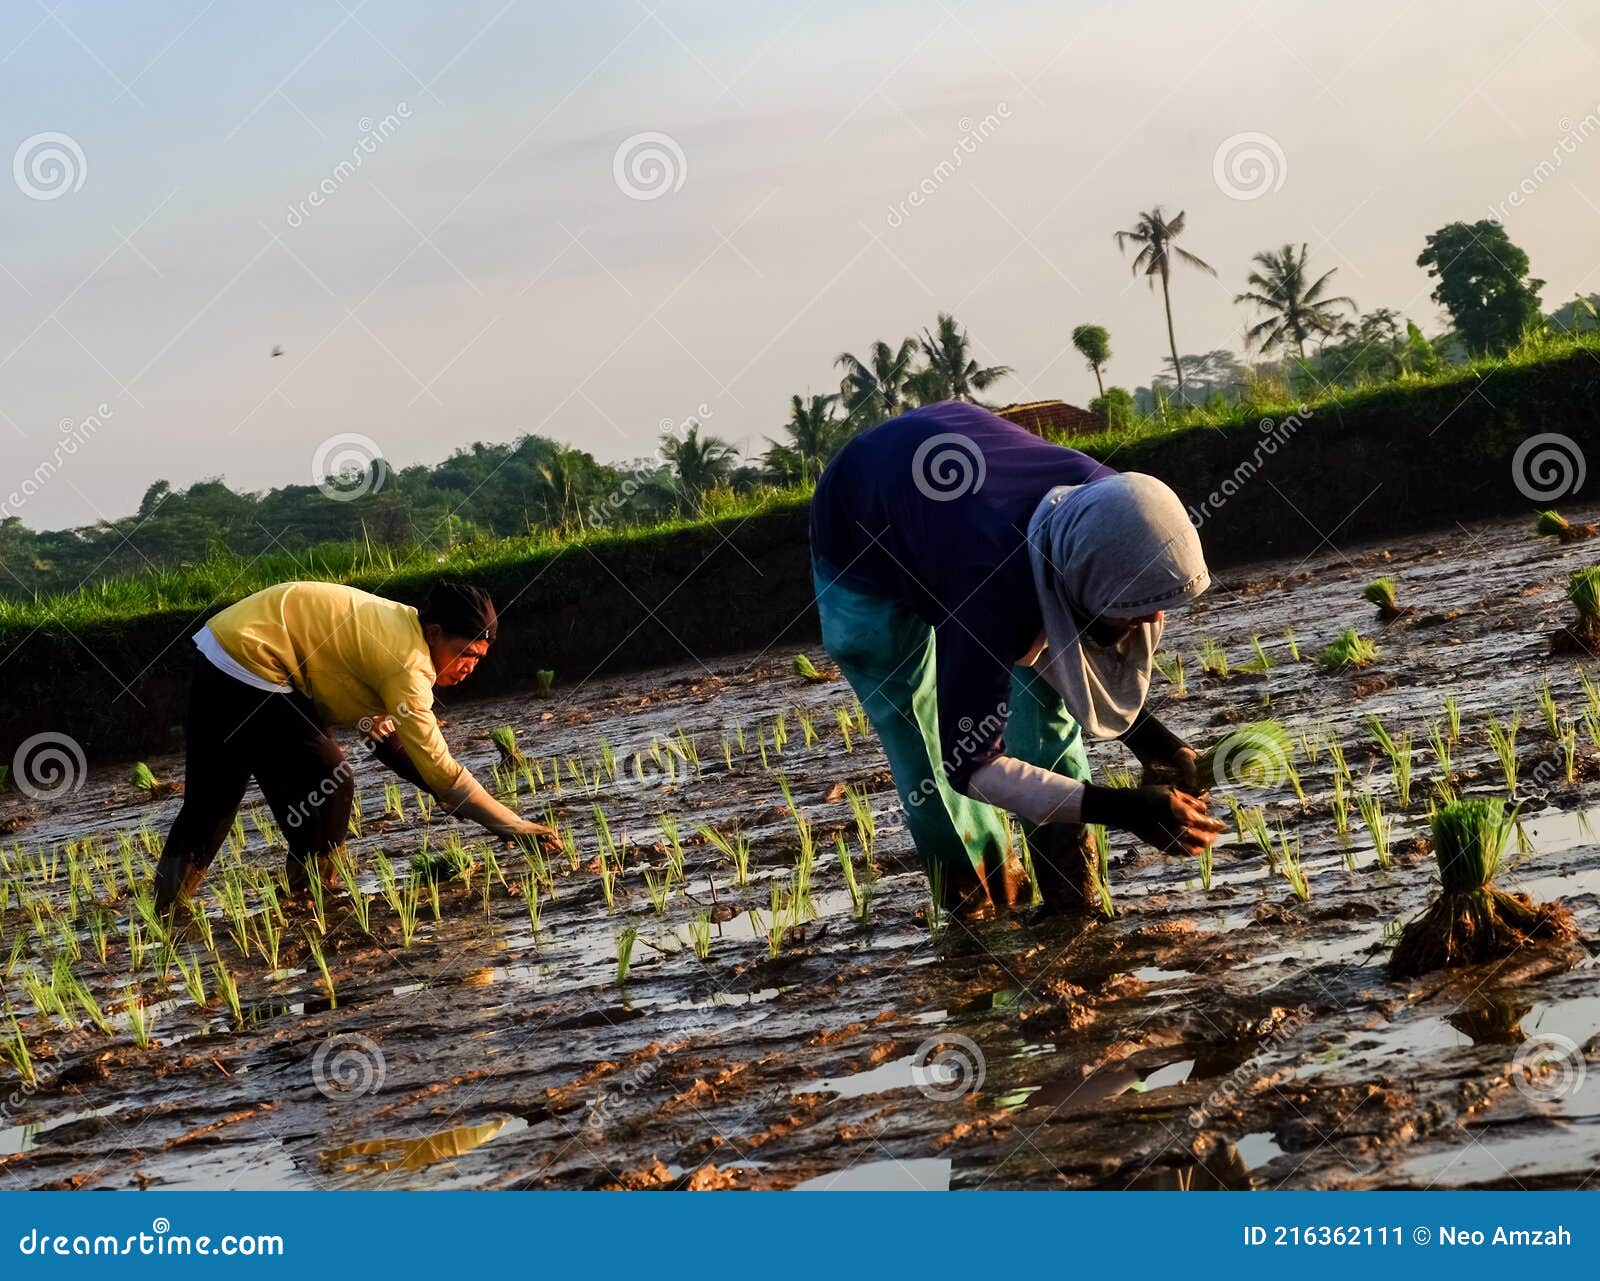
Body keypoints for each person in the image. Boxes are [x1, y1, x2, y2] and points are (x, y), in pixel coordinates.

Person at [809, 400, 1224, 917]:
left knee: (1045, 719)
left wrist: (1157, 745)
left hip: (956, 500)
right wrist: (1124, 809)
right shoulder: (985, 589)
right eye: (1132, 611)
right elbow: (973, 766)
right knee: (923, 737)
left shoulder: (1122, 512)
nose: (1147, 622)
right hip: (859, 530)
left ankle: (1070, 897)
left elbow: (1068, 657)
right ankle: (984, 899)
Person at [153, 579, 559, 910]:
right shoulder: (408, 664)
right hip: (254, 659)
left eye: (479, 658)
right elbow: (439, 765)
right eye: (463, 653)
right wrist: (515, 826)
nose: (469, 667)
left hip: (220, 647)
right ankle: (312, 899)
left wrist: (442, 793)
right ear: (435, 633)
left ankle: (166, 913)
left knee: (211, 802)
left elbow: (387, 740)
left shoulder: (393, 634)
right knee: (329, 779)